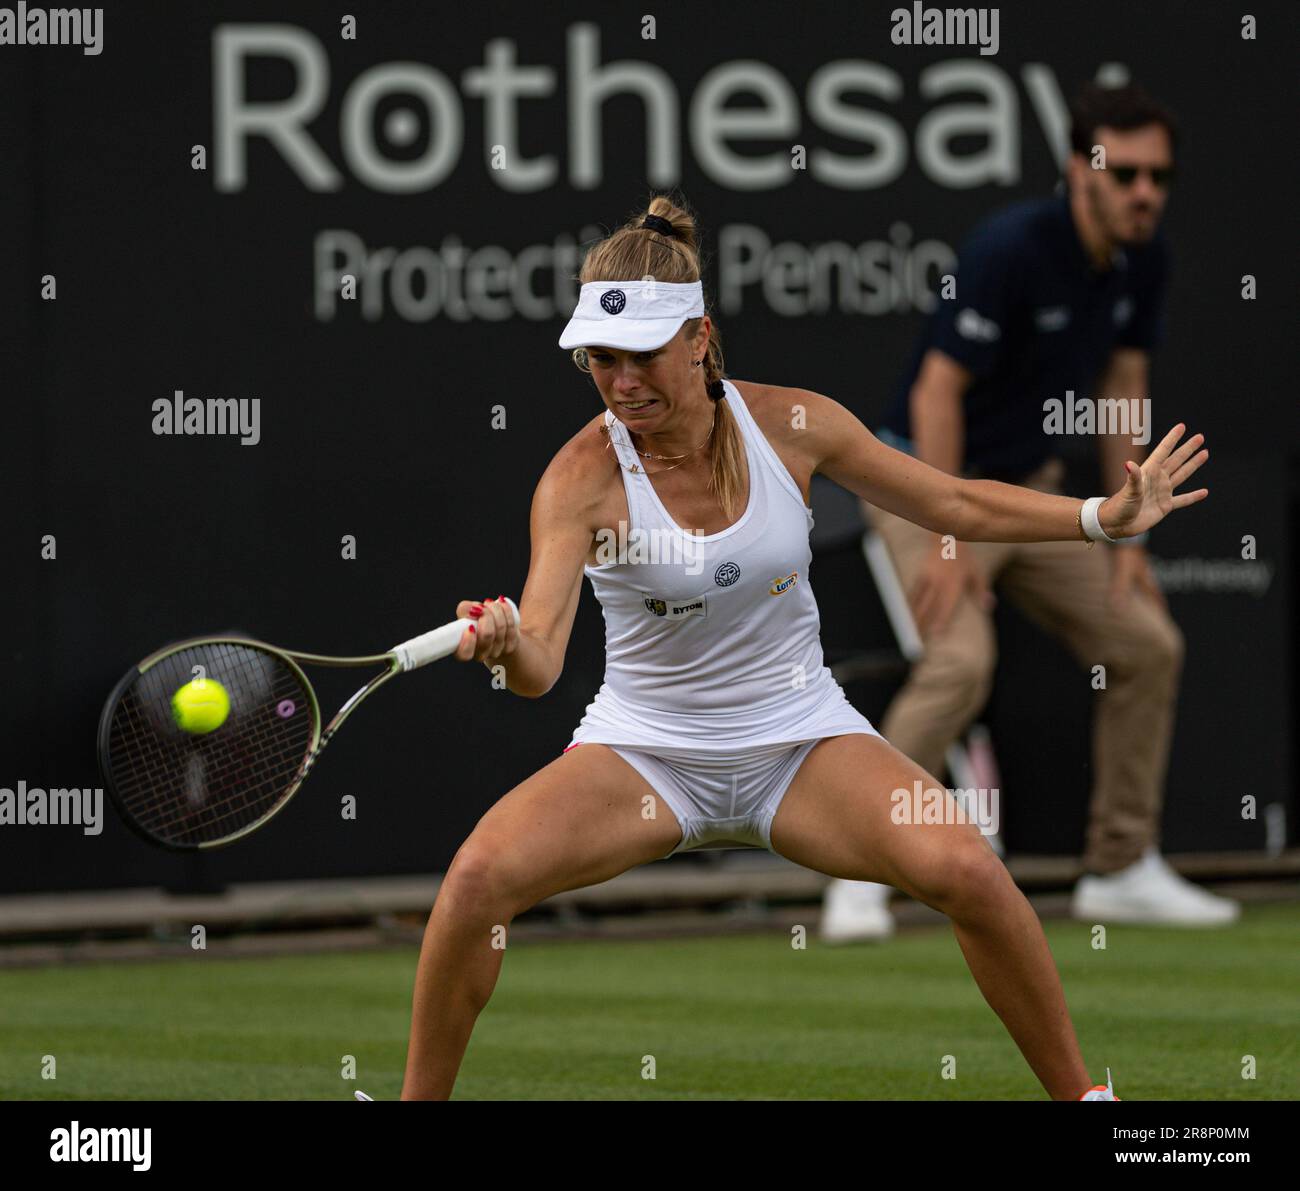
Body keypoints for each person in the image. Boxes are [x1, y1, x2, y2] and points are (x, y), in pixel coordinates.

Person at [391, 194, 1208, 1102]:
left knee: (969, 867)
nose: (622, 384)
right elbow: (541, 665)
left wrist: (1103, 517)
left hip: (801, 738)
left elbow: (955, 505)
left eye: (643, 356)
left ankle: (1087, 1103)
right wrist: (506, 645)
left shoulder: (795, 426)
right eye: (601, 359)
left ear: (700, 338)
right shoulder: (577, 480)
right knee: (475, 880)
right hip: (646, 753)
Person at [821, 83, 1238, 944]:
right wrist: (943, 536)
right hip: (926, 483)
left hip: (1032, 491)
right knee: (960, 663)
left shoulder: (1142, 256)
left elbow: (1123, 382)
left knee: (1148, 644)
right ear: (1077, 170)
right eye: (1124, 173)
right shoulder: (1009, 247)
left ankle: (1120, 868)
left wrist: (1129, 525)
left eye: (1158, 175)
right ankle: (861, 873)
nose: (1144, 193)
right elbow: (940, 389)